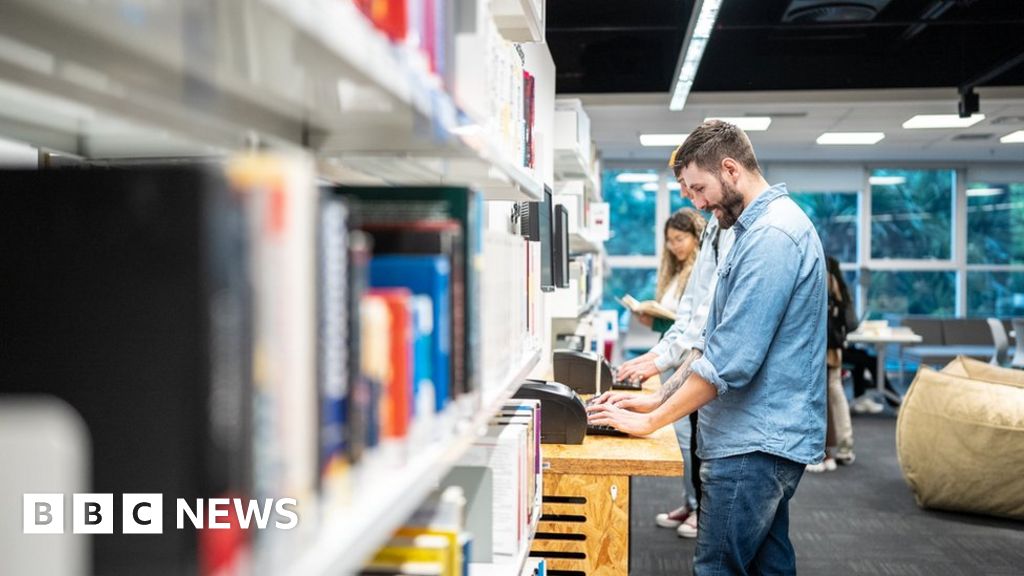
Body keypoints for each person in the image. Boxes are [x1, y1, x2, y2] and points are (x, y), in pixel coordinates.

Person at [589, 119, 827, 576]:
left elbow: (729, 361)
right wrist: (655, 398)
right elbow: (709, 339)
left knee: (717, 568)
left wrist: (654, 421)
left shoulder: (771, 237)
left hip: (753, 444)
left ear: (731, 169)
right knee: (768, 566)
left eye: (699, 188)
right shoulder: (748, 230)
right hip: (755, 440)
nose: (697, 203)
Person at [617, 170, 736, 540]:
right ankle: (692, 502)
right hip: (683, 357)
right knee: (689, 438)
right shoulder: (708, 243)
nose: (690, 197)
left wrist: (657, 366)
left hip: (702, 364)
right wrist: (656, 358)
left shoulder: (729, 238)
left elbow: (703, 320)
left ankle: (701, 508)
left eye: (695, 188)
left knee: (695, 441)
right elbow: (687, 318)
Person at [807, 256, 857, 472]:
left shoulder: (822, 277)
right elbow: (850, 321)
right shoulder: (838, 281)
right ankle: (845, 446)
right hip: (835, 348)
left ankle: (824, 451)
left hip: (823, 348)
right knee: (836, 393)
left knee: (824, 396)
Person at [635, 208, 705, 338]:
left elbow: (694, 326)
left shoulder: (699, 273)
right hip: (668, 344)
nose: (674, 246)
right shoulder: (677, 273)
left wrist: (656, 324)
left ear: (696, 237)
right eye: (670, 241)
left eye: (679, 239)